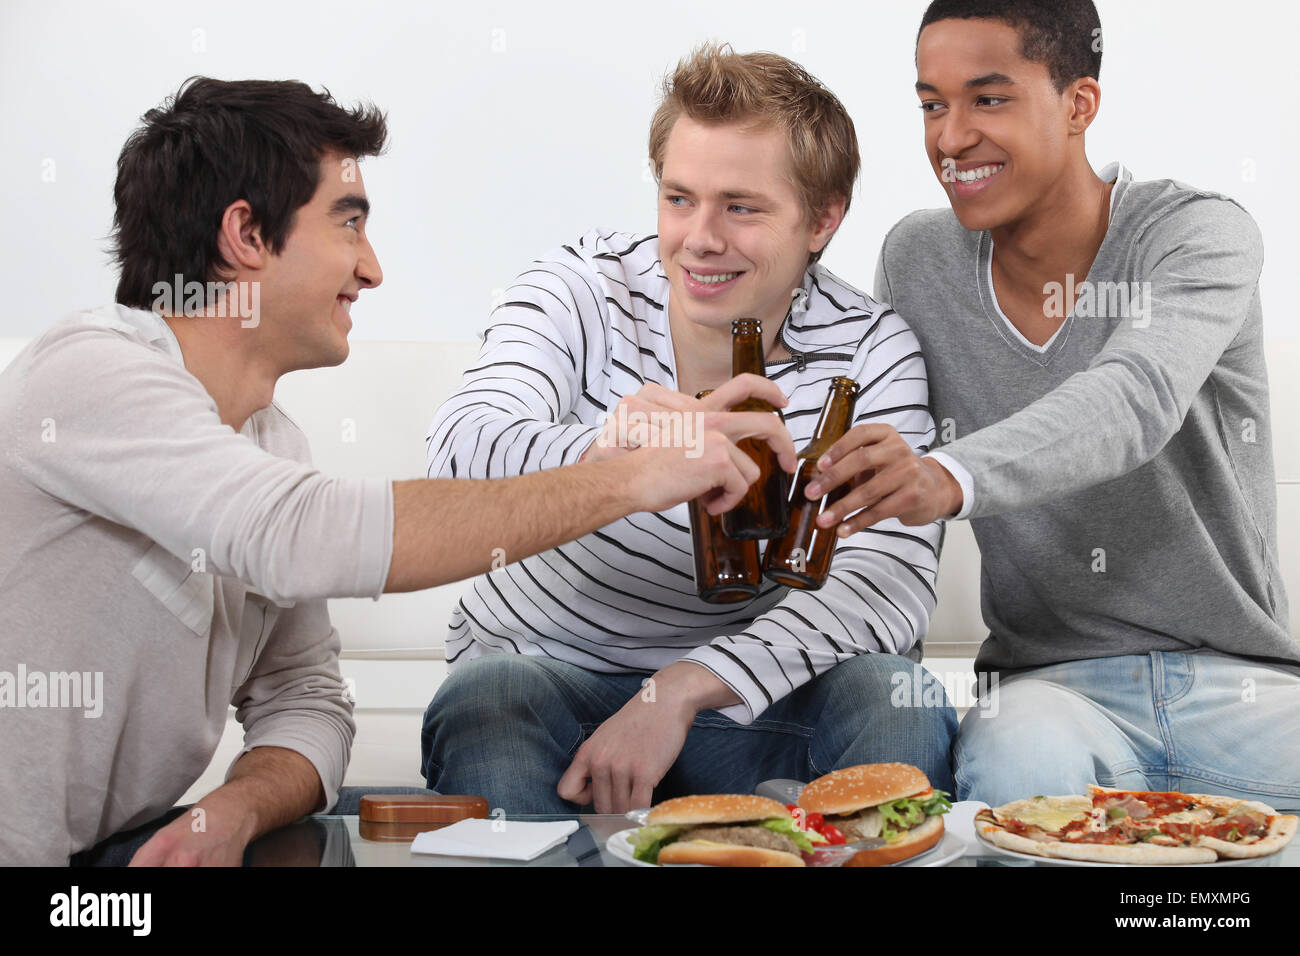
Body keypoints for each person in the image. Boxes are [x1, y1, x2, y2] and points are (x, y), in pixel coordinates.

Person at [0, 78, 792, 866]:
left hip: (115, 850)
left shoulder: (271, 445)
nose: (371, 270)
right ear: (245, 233)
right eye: (348, 225)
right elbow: (300, 536)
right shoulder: (88, 369)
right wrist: (633, 477)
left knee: (478, 837)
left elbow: (305, 700)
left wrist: (233, 811)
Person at [420, 43, 957, 815]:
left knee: (894, 694)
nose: (699, 238)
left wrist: (673, 695)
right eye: (679, 198)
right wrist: (614, 454)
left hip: (745, 699)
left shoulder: (871, 349)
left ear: (823, 219)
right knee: (489, 694)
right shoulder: (582, 287)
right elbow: (457, 453)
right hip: (552, 677)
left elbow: (887, 584)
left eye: (741, 207)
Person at [807, 0, 1300, 808]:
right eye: (932, 103)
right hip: (1049, 694)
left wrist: (948, 475)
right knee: (1017, 776)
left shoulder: (1198, 234)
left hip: (1241, 687)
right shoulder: (919, 259)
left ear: (1079, 104)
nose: (950, 137)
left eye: (988, 98)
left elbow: (1135, 397)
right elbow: (875, 446)